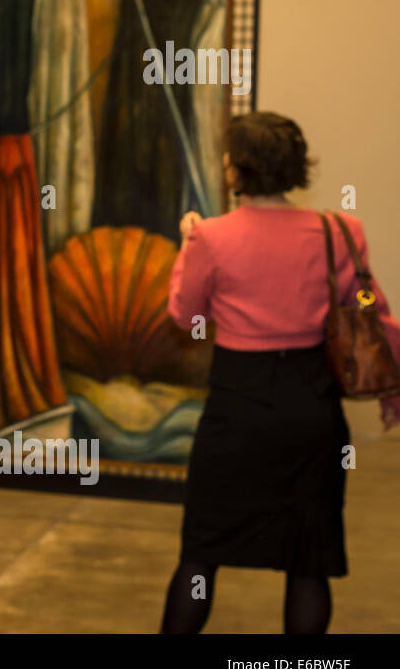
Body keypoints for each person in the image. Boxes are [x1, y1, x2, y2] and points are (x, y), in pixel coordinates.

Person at [161, 111, 400, 634]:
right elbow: (367, 305)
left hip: (236, 412)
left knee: (201, 556)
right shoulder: (340, 231)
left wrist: (187, 245)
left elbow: (186, 315)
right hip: (311, 412)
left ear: (235, 170)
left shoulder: (212, 238)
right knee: (307, 562)